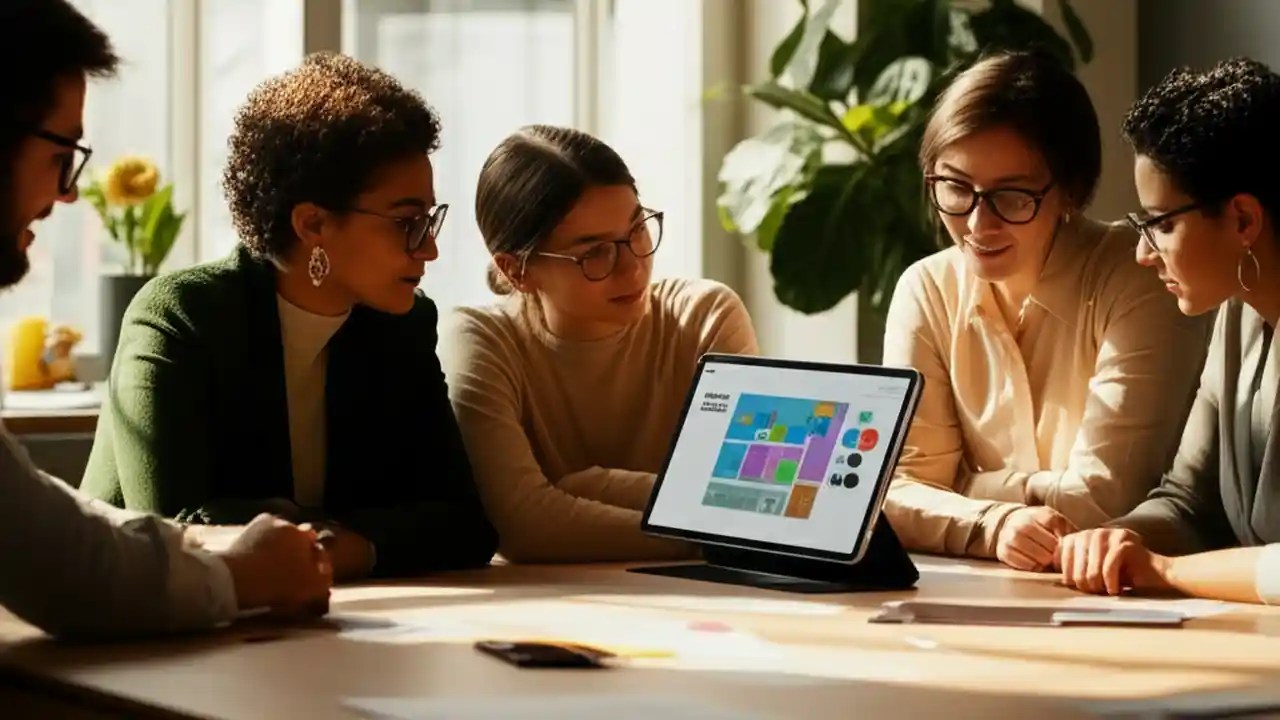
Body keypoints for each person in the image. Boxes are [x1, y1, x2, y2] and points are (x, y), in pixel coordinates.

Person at [80, 53, 498, 581]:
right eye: (406, 221)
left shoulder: (403, 326)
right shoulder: (183, 317)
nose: (429, 249)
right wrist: (354, 534)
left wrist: (334, 548)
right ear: (312, 224)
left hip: (319, 611)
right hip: (133, 614)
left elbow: (464, 524)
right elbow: (175, 529)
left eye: (429, 220)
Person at [0, 0, 330, 638]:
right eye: (63, 154)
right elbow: (60, 565)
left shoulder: (402, 324)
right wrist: (241, 573)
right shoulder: (183, 313)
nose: (68, 191)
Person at [880, 50, 1212, 571]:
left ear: (1070, 192)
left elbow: (1104, 502)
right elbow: (893, 491)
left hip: (1114, 589)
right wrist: (995, 523)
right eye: (956, 188)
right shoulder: (928, 288)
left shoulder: (1138, 276)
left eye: (1012, 197)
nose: (978, 224)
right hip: (970, 584)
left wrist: (964, 488)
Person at [440, 125, 758, 563]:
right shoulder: (482, 342)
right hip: (547, 598)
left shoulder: (703, 317)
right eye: (594, 252)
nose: (632, 268)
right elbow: (523, 526)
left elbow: (743, 499)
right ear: (516, 270)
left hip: (704, 593)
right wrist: (712, 536)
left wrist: (592, 487)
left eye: (637, 230)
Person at [1058, 58, 1280, 603]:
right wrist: (1116, 538)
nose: (1143, 252)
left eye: (1161, 224)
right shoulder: (1237, 314)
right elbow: (1188, 501)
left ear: (1243, 220)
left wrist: (1166, 570)